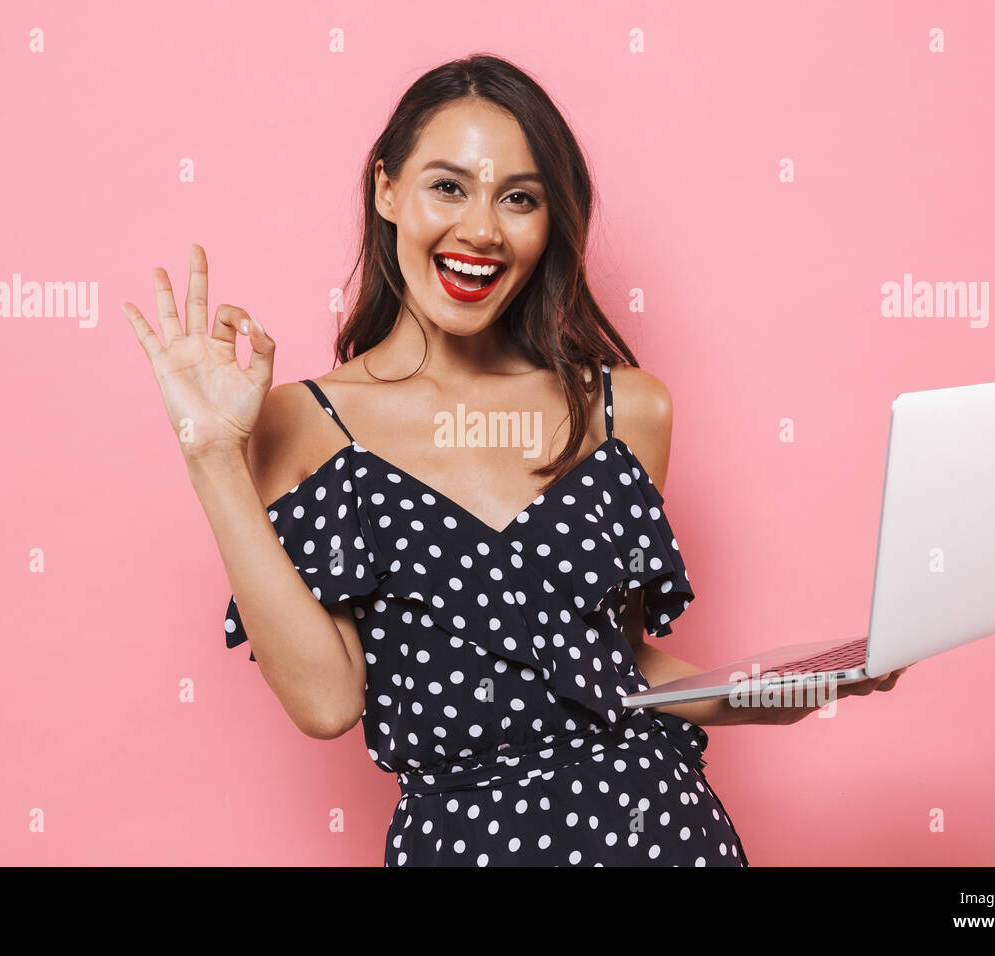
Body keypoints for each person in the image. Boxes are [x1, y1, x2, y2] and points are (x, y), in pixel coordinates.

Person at [120, 54, 906, 866]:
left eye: (519, 198)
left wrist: (759, 697)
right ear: (387, 189)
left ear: (550, 222)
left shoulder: (625, 409)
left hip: (659, 831)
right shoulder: (300, 424)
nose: (482, 230)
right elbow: (326, 703)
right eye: (448, 186)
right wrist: (213, 453)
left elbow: (611, 662)